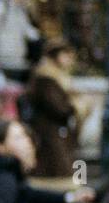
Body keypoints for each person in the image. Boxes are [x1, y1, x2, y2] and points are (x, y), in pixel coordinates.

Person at [25, 40, 90, 178]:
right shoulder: (46, 78)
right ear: (56, 56)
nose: (70, 60)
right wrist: (75, 106)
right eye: (66, 55)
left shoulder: (60, 77)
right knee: (57, 170)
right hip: (49, 132)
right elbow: (57, 106)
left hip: (55, 131)